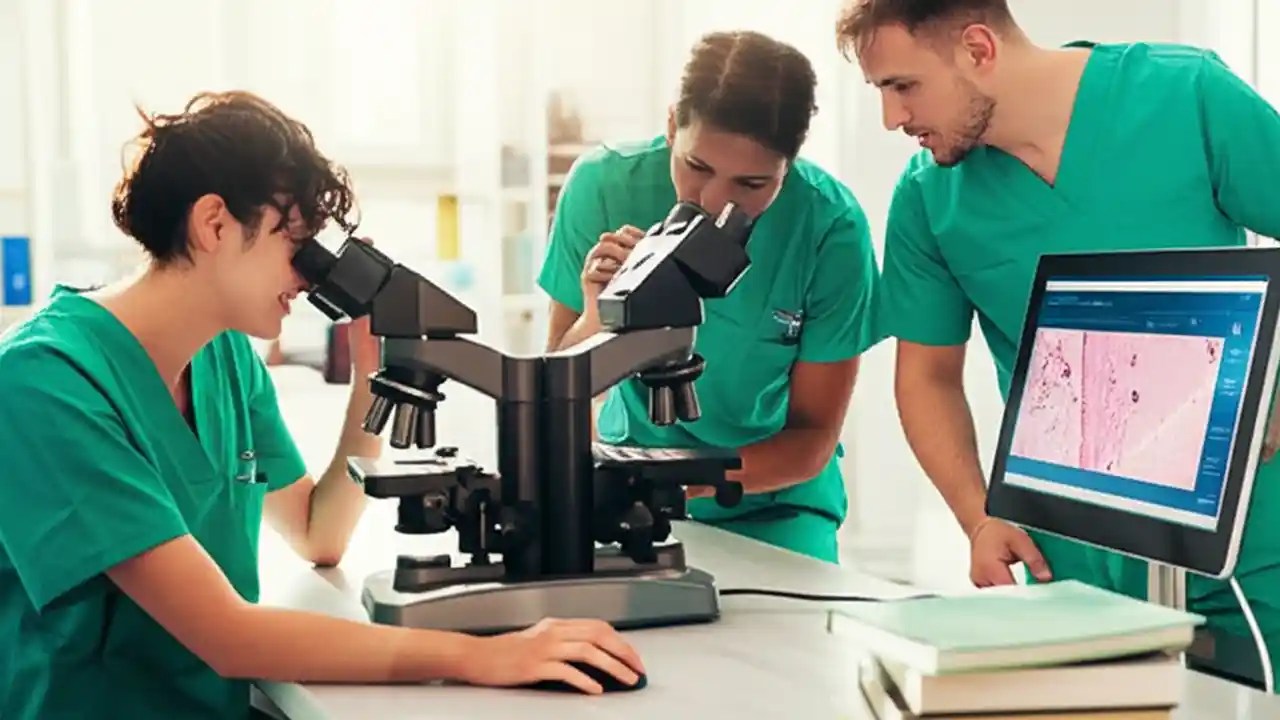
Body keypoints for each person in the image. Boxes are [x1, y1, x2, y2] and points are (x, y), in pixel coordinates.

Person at [0, 91, 644, 720]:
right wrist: (484, 656)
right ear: (214, 224)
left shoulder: (224, 357)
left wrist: (372, 370)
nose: (310, 277)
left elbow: (319, 532)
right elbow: (226, 636)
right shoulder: (45, 381)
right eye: (295, 241)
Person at [837, 0, 1280, 681]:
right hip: (1073, 573)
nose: (893, 118)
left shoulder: (1185, 96)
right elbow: (926, 376)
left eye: (902, 86)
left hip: (1251, 546)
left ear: (978, 49)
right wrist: (976, 516)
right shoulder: (930, 198)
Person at [538, 31, 882, 565]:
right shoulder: (604, 185)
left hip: (773, 507)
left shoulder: (830, 227)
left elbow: (812, 438)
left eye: (751, 184)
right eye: (697, 168)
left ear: (788, 165)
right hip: (628, 491)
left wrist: (676, 483)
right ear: (672, 124)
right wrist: (596, 316)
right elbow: (558, 382)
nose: (715, 201)